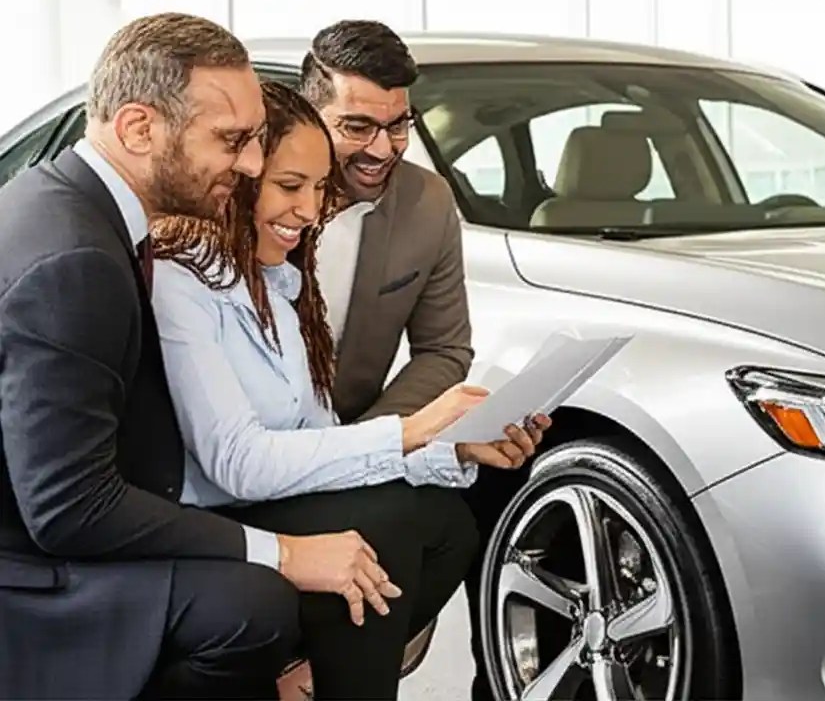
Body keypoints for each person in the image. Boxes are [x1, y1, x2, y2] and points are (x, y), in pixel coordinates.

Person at [0, 13, 394, 700]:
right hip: (26, 574)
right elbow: (69, 509)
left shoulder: (59, 199)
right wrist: (283, 552)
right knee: (254, 604)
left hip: (64, 523)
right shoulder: (76, 261)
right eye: (232, 140)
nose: (249, 163)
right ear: (138, 129)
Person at [149, 79, 550, 700]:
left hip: (271, 494)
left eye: (317, 191)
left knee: (450, 523)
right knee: (386, 520)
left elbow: (320, 440)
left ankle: (308, 679)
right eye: (290, 187)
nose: (310, 213)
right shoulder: (180, 282)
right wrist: (412, 430)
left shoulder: (279, 288)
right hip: (212, 517)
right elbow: (236, 464)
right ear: (242, 176)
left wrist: (456, 446)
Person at [299, 20, 552, 699]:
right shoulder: (252, 201)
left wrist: (377, 442)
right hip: (257, 445)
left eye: (399, 124)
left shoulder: (428, 204)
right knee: (400, 512)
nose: (383, 148)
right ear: (305, 113)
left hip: (358, 428)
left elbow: (444, 349)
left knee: (493, 482)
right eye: (356, 127)